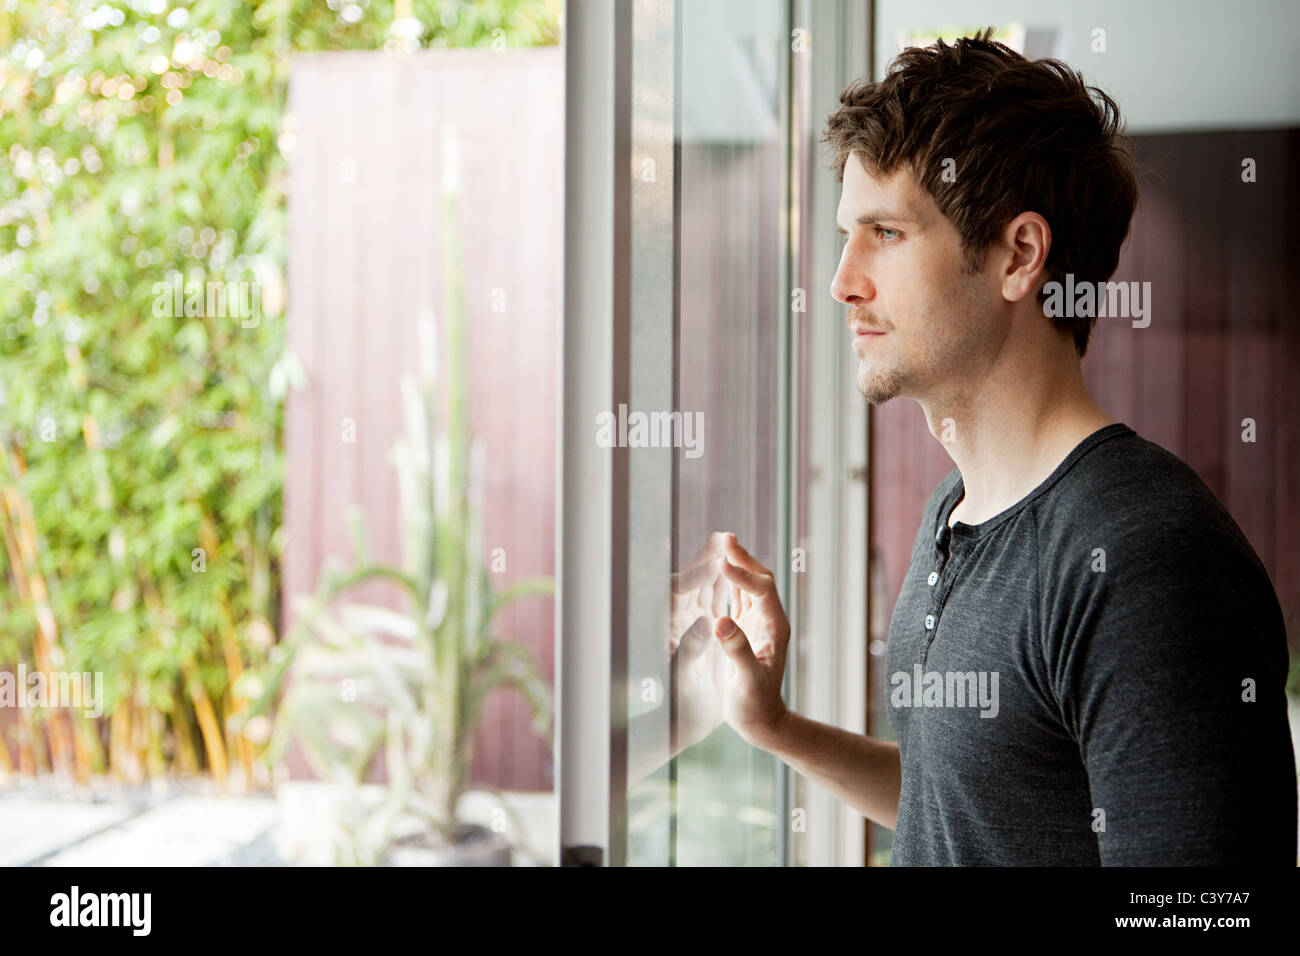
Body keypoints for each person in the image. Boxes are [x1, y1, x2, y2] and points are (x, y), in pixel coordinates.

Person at [668, 31, 1297, 865]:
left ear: (1019, 256)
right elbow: (971, 808)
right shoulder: (954, 512)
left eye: (886, 233)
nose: (841, 279)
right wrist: (773, 727)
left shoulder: (1147, 564)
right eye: (846, 234)